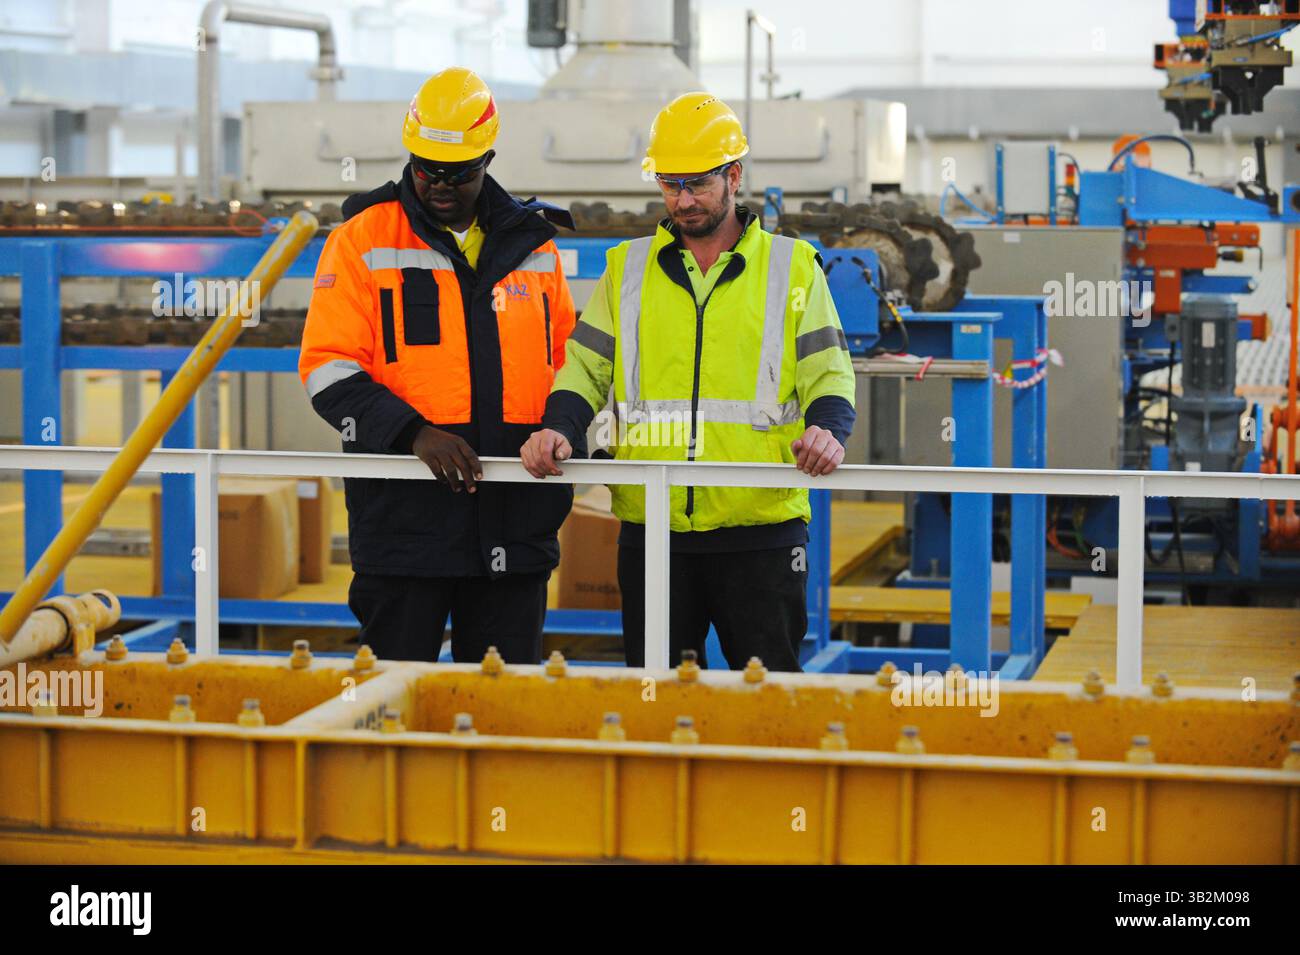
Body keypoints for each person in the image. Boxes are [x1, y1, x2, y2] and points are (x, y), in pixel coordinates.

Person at [520, 91, 855, 672]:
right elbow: (585, 366)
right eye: (670, 184)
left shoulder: (792, 267)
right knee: (657, 697)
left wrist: (827, 429)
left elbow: (828, 369)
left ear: (734, 176)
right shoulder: (626, 268)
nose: (683, 199)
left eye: (697, 183)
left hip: (762, 525)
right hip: (654, 526)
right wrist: (558, 428)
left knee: (772, 698)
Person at [300, 66, 578, 663]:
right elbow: (327, 367)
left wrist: (566, 431)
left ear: (488, 160)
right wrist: (413, 434)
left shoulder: (535, 247)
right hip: (404, 525)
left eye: (459, 172)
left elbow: (569, 366)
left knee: (503, 713)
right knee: (391, 708)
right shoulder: (361, 240)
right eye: (427, 170)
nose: (440, 185)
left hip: (515, 525)